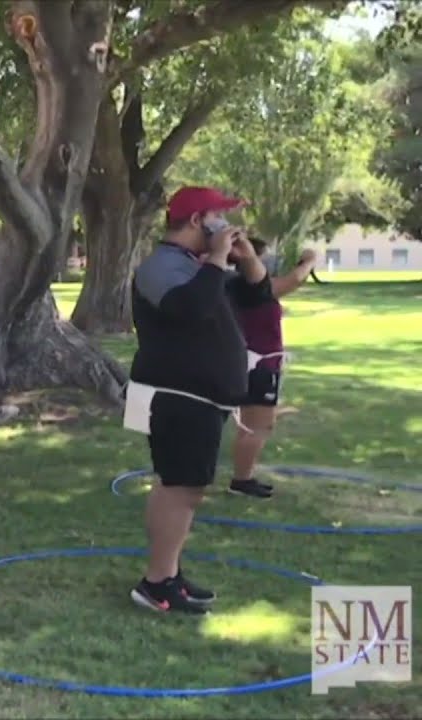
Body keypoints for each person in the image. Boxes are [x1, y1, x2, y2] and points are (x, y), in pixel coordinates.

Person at [127, 186, 273, 615]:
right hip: (176, 396)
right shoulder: (162, 267)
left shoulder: (201, 267)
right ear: (197, 222)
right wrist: (214, 261)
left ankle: (167, 574)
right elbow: (187, 309)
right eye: (219, 217)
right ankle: (156, 583)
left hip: (201, 397)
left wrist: (245, 259)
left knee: (183, 489)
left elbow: (259, 298)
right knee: (180, 488)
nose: (228, 226)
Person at [227, 238, 319, 499]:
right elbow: (293, 280)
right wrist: (310, 261)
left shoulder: (240, 285)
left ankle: (243, 476)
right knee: (259, 426)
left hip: (250, 361)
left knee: (250, 424)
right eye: (264, 257)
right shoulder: (253, 286)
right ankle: (242, 480)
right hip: (260, 363)